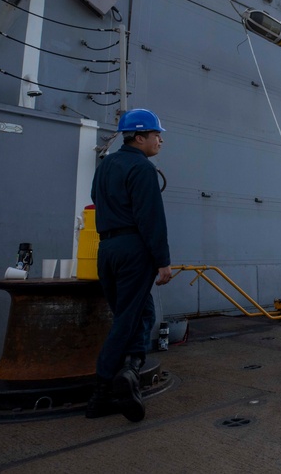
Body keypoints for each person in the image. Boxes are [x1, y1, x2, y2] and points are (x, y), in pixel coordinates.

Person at [86, 109, 172, 422]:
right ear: (139, 137)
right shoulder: (143, 169)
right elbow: (151, 218)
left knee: (141, 311)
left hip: (106, 249)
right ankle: (101, 393)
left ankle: (132, 368)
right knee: (126, 319)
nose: (160, 140)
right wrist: (163, 261)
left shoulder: (106, 165)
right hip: (134, 249)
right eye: (156, 135)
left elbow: (95, 198)